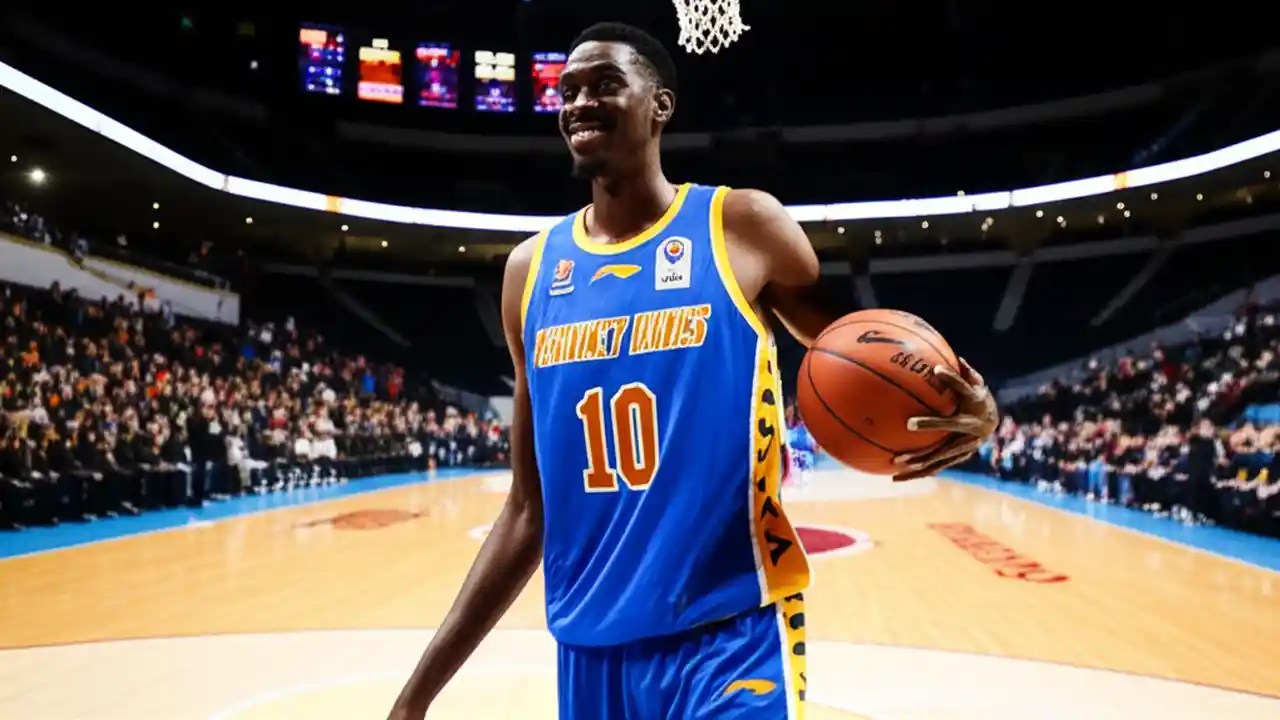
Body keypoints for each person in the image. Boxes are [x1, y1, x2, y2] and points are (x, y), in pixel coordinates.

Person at [388, 21, 998, 720]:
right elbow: (529, 510)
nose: (580, 102)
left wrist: (962, 404)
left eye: (607, 84)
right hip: (590, 652)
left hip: (731, 633)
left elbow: (857, 350)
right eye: (569, 90)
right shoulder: (529, 273)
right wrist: (414, 699)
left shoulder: (738, 225)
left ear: (661, 105)